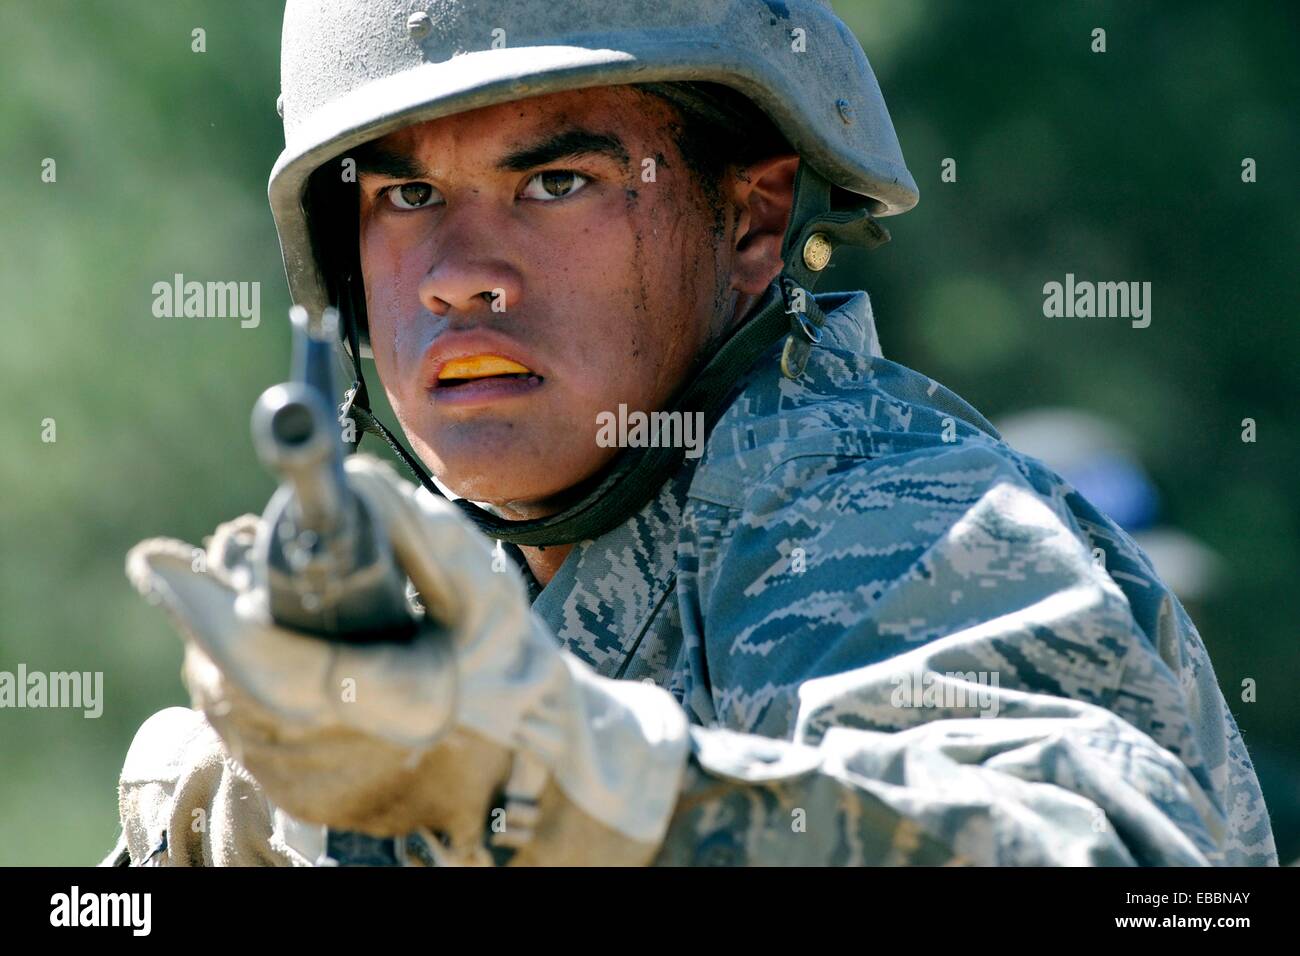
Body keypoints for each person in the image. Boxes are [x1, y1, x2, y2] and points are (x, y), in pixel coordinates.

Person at [101, 0, 1276, 866]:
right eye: (406, 197)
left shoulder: (884, 511)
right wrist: (264, 814)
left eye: (554, 182)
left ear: (753, 217)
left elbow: (1116, 862)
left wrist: (534, 779)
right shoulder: (477, 598)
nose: (459, 278)